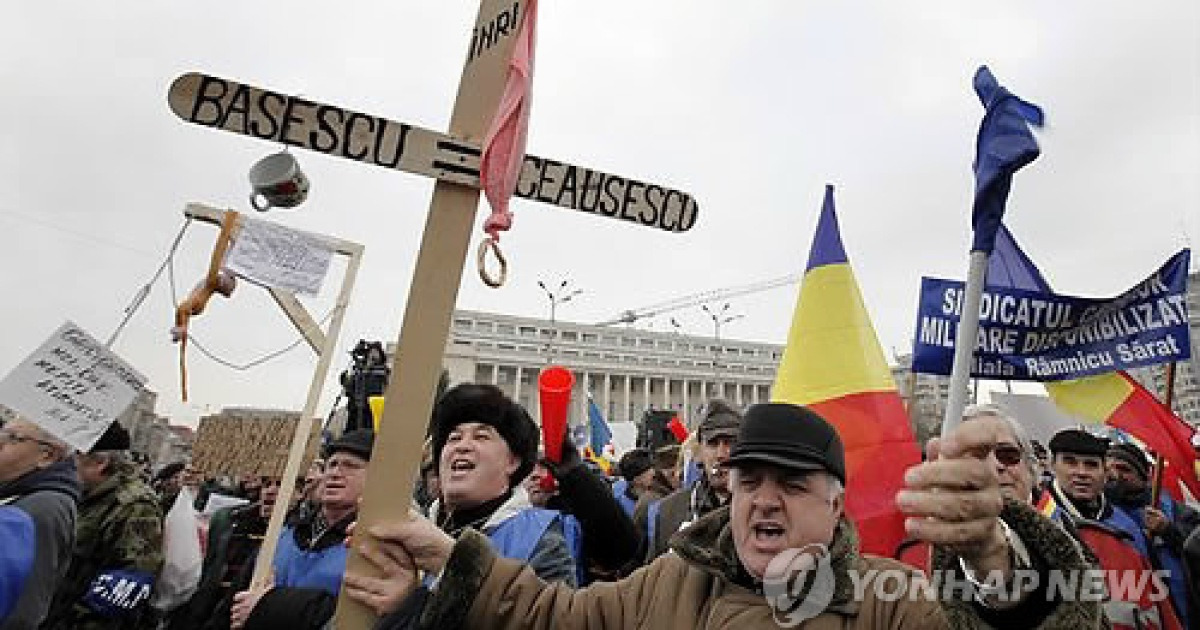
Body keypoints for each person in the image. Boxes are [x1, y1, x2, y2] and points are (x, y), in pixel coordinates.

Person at [346, 402, 1104, 629]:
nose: (764, 499)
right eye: (748, 480)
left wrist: (996, 563)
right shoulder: (666, 583)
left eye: (792, 483)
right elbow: (548, 617)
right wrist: (448, 563)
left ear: (838, 502)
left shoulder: (890, 602)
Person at [233, 429, 374, 629]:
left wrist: (269, 605)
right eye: (331, 465)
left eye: (350, 466)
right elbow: (238, 602)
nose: (335, 473)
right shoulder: (282, 536)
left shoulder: (373, 548)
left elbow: (358, 618)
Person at [1043, 428, 1183, 630]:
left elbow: (1160, 601)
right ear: (1052, 465)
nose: (1081, 472)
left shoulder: (1127, 527)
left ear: (1104, 472)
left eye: (1091, 465)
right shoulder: (1037, 524)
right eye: (1070, 462)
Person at [43, 422, 164, 630]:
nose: (65, 465)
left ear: (99, 463)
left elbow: (130, 582)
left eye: (74, 459)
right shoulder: (82, 492)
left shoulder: (134, 506)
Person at [1106, 442, 1199, 628]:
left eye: (1124, 469)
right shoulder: (1099, 516)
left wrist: (1168, 530)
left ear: (1144, 476)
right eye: (1108, 468)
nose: (1115, 475)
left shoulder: (1174, 511)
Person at [0, 419, 79, 629]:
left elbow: (22, 609)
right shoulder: (21, 494)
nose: (0, 443)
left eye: (12, 438)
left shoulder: (43, 510)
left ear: (46, 457)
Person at [168, 478, 275, 630]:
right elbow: (210, 572)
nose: (270, 491)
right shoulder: (230, 521)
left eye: (280, 485)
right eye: (266, 484)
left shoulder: (289, 536)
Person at [642, 399, 740, 561]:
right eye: (713, 444)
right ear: (700, 450)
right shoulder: (669, 511)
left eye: (730, 443)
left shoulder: (757, 509)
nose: (721, 454)